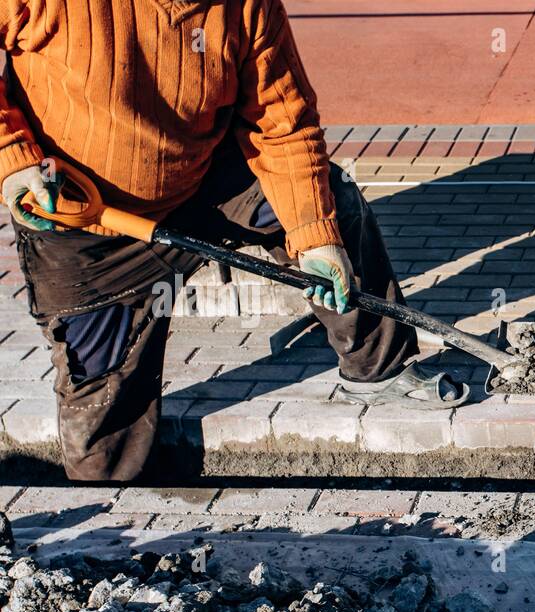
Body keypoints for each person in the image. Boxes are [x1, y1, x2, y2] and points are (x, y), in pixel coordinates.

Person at [0, 0, 454, 482]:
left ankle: (378, 369)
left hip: (203, 181)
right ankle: (116, 532)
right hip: (83, 219)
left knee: (332, 209)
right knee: (103, 433)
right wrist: (12, 157)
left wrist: (316, 238)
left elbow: (283, 123)